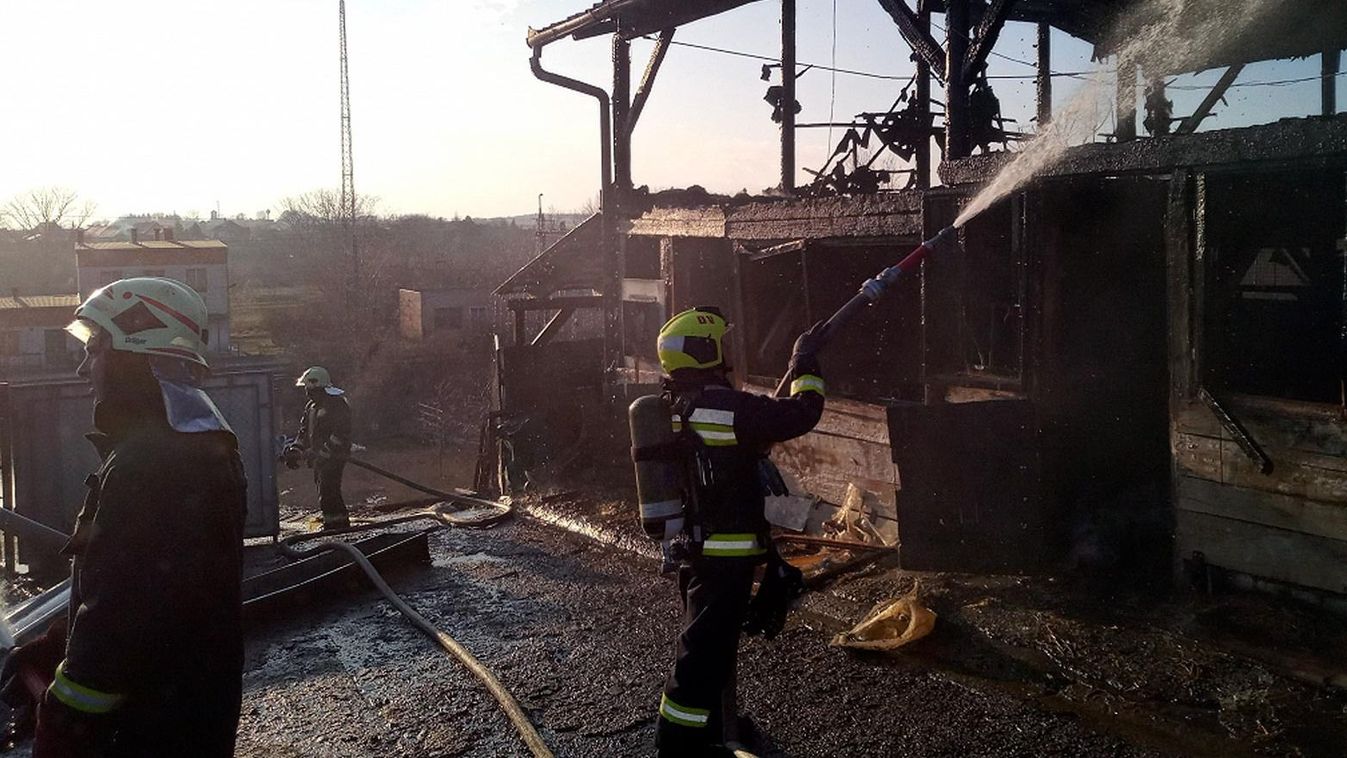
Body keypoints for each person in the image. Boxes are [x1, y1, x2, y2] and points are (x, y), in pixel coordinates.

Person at [32, 277, 247, 756]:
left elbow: (123, 617)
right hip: (187, 718)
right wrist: (61, 641)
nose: (84, 368)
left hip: (148, 731)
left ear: (133, 354)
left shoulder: (152, 462)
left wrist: (66, 715)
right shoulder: (195, 442)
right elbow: (152, 590)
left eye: (97, 349)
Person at [653, 306, 826, 757]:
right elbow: (802, 414)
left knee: (712, 644)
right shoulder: (722, 407)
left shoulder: (684, 403)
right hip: (723, 555)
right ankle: (679, 742)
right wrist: (806, 365)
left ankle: (717, 723)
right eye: (720, 345)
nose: (727, 353)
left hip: (698, 547)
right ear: (703, 351)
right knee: (702, 653)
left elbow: (745, 437)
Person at [284, 366, 352, 530]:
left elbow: (340, 434)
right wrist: (296, 449)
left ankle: (338, 525)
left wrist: (321, 453)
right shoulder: (311, 407)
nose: (307, 392)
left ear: (320, 388)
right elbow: (304, 432)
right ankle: (333, 522)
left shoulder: (337, 404)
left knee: (329, 488)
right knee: (323, 487)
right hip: (319, 457)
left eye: (310, 389)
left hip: (335, 456)